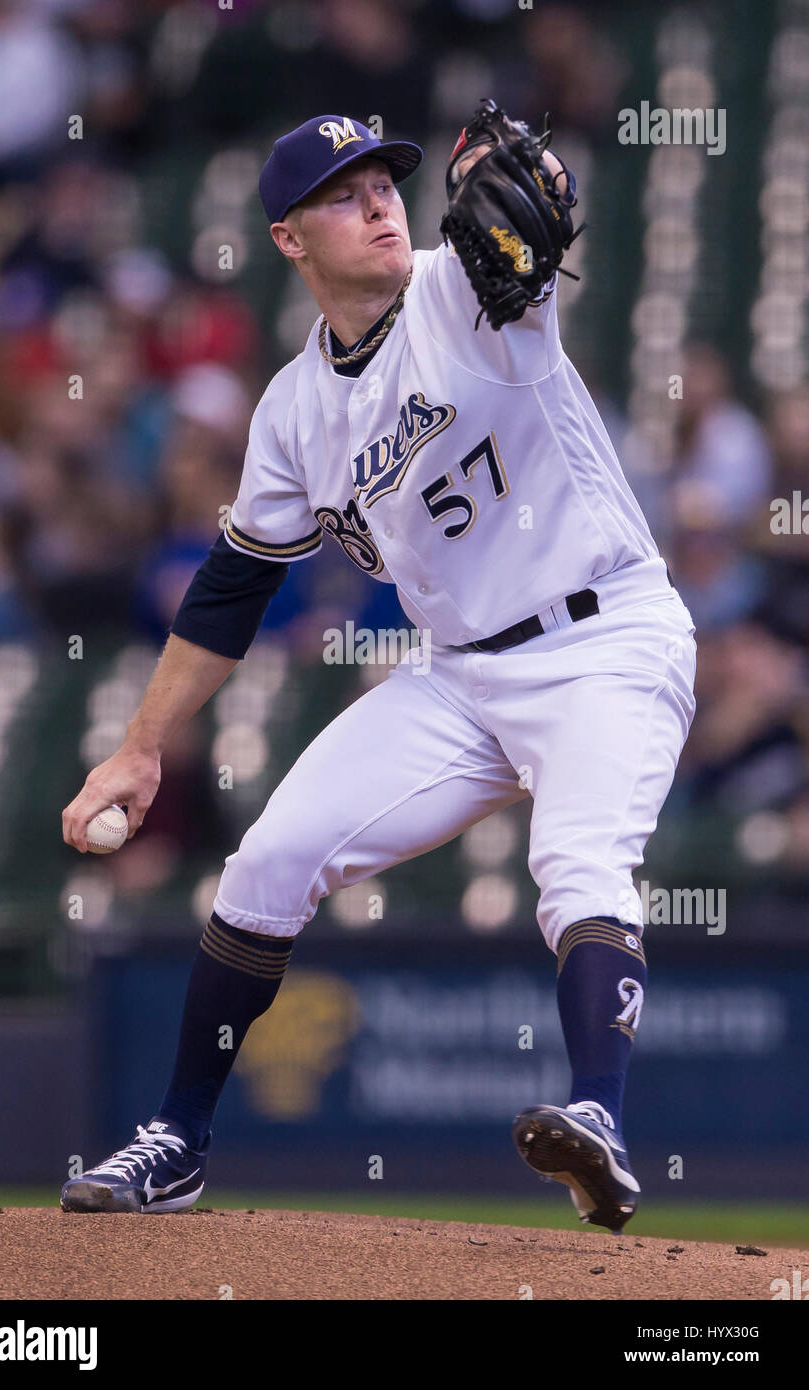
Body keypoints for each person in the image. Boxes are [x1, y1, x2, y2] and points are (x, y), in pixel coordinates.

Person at [61, 114, 697, 1232]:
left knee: (576, 857)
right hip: (456, 678)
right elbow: (230, 590)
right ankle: (177, 1139)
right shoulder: (291, 413)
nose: (377, 201)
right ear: (286, 238)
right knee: (270, 857)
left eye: (385, 181)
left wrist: (540, 183)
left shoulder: (464, 290)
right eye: (343, 191)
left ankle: (596, 1115)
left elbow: (530, 239)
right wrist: (140, 744)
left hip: (603, 637)